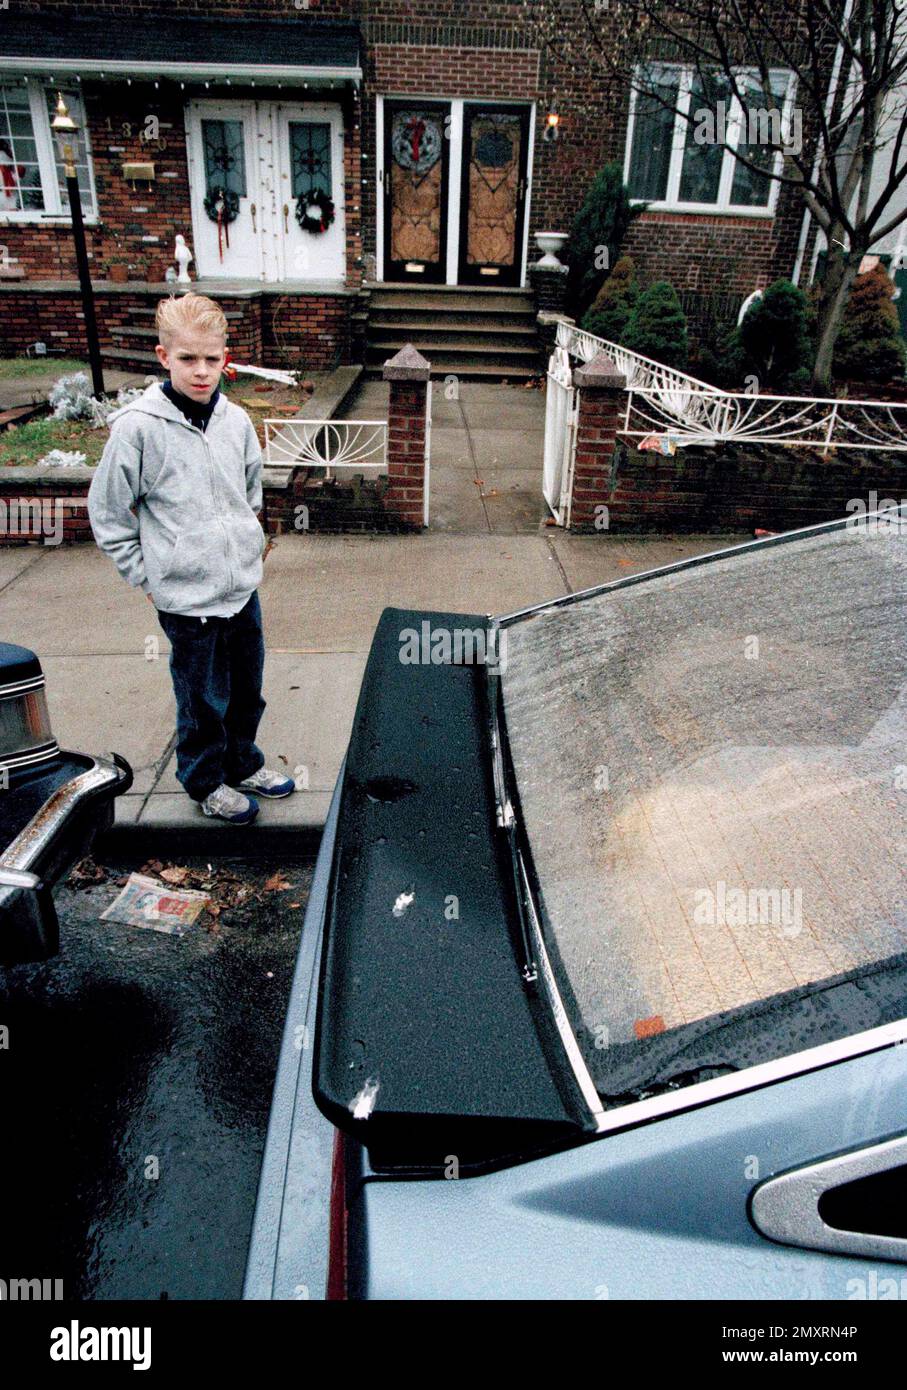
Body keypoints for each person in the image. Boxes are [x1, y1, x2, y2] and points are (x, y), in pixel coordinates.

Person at [88, 292, 295, 824]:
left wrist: (246, 548)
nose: (202, 371)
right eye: (187, 359)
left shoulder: (237, 422)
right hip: (185, 596)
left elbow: (249, 495)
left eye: (212, 358)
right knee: (202, 699)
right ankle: (205, 780)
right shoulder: (138, 427)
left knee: (247, 689)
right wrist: (148, 576)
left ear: (226, 357)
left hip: (239, 589)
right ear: (163, 357)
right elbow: (109, 514)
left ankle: (242, 762)